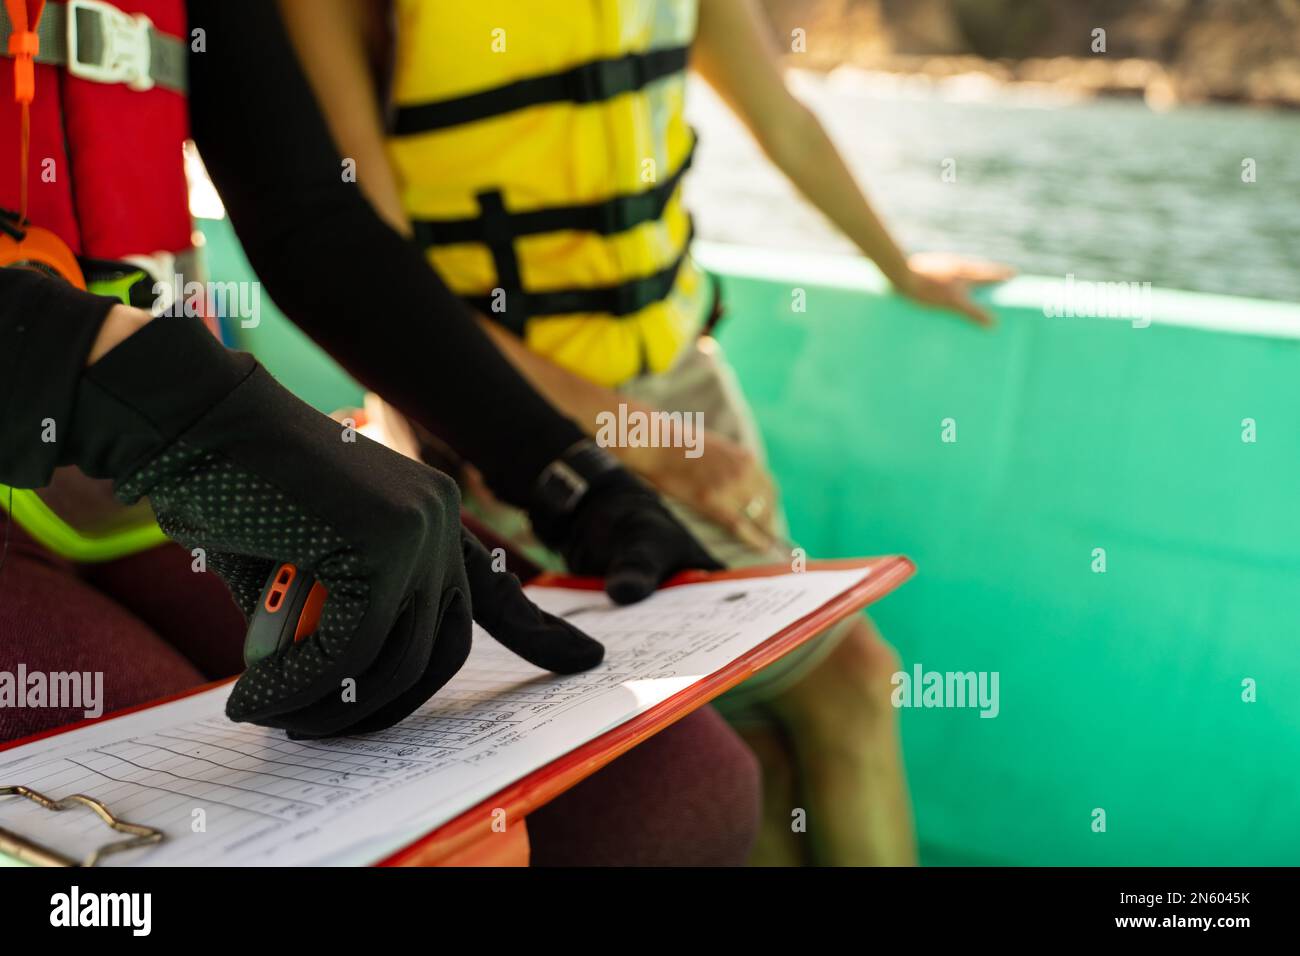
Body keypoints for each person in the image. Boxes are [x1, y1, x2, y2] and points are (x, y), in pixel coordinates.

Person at [0, 0, 758, 864]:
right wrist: (160, 397)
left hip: (156, 482)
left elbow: (309, 220)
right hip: (108, 460)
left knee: (680, 795)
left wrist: (568, 477)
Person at [277, 0, 1014, 864]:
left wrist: (898, 265)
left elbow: (784, 120)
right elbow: (370, 265)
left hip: (681, 379)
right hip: (502, 419)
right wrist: (624, 437)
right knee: (842, 687)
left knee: (770, 735)